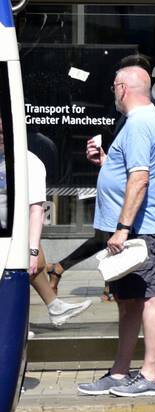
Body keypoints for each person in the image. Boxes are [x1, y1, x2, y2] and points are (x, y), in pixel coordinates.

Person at [75, 65, 155, 397]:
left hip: (137, 231)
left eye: (113, 87)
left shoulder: (140, 123)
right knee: (129, 301)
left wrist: (123, 228)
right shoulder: (146, 121)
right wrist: (107, 163)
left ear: (122, 89)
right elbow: (131, 171)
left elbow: (140, 178)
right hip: (133, 229)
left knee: (147, 297)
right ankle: (119, 373)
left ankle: (149, 374)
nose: (112, 93)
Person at [12, 128, 94, 327]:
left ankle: (49, 308)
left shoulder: (31, 161)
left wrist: (32, 249)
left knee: (34, 262)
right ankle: (47, 309)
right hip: (13, 225)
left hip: (15, 224)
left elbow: (36, 209)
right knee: (33, 264)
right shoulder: (37, 153)